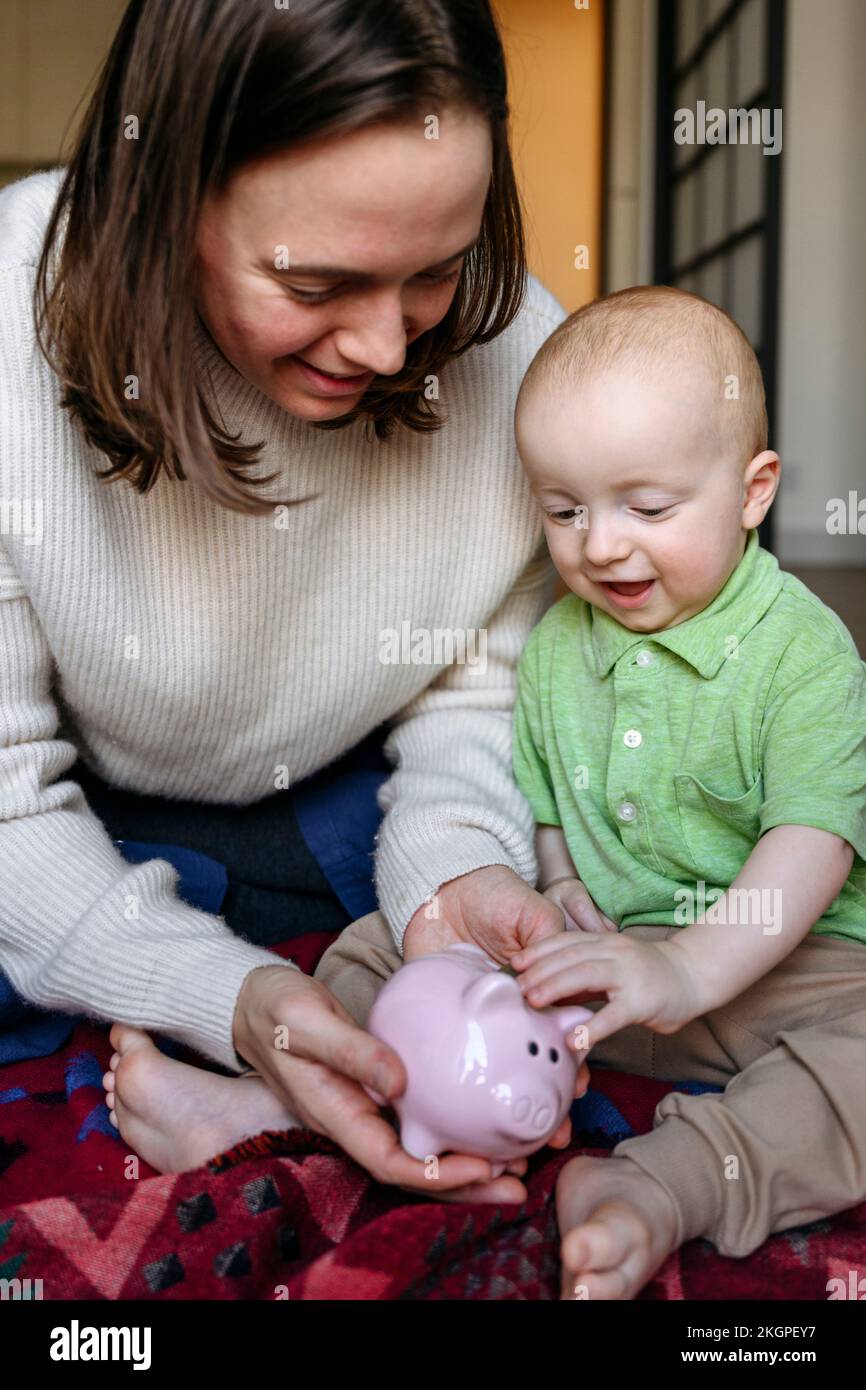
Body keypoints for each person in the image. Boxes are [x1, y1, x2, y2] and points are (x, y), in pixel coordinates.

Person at [0, 0, 581, 1202]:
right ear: (164, 197)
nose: (382, 344)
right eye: (316, 281)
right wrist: (231, 997)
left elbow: (476, 690)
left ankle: (284, 1088)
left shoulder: (529, 361)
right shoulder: (9, 323)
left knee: (591, 887)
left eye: (436, 269)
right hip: (61, 805)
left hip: (329, 800)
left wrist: (451, 872)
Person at [316, 285, 866, 1297]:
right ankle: (362, 1093)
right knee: (375, 942)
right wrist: (563, 889)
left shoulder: (801, 652)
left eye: (646, 508)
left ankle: (667, 1183)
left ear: (752, 491)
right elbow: (546, 801)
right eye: (562, 509)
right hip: (595, 970)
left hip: (777, 963)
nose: (599, 544)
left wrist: (690, 973)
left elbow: (810, 841)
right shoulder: (560, 641)